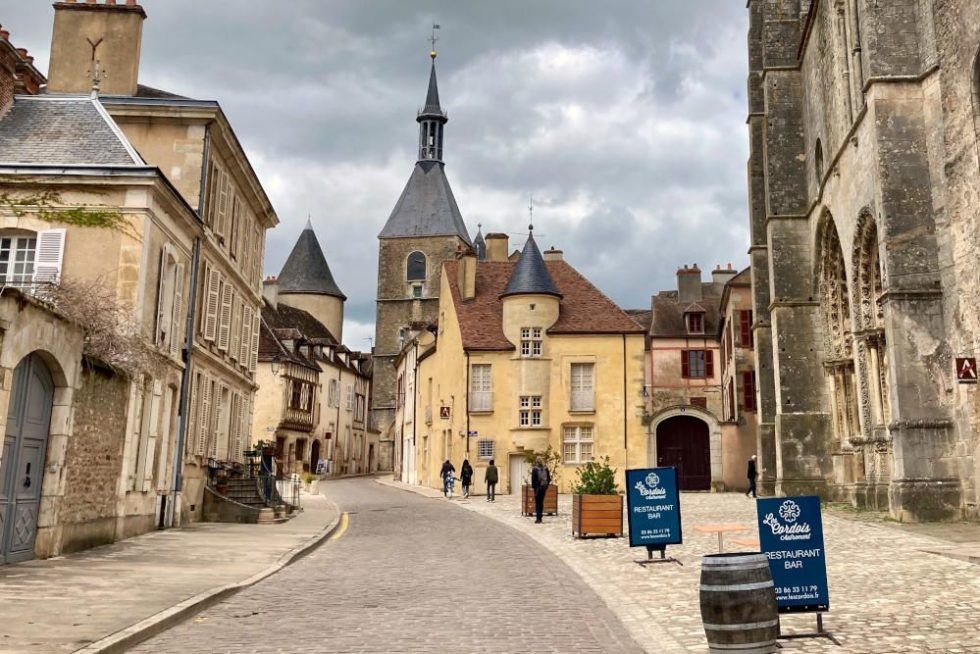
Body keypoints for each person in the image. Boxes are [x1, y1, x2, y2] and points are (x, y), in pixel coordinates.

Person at [530, 457, 551, 523]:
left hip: (537, 488)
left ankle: (538, 519)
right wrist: (546, 486)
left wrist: (534, 488)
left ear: (536, 462)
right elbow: (549, 479)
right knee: (541, 502)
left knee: (537, 503)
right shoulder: (546, 468)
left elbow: (533, 480)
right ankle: (540, 517)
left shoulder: (535, 469)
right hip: (543, 488)